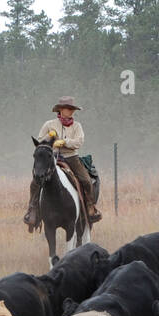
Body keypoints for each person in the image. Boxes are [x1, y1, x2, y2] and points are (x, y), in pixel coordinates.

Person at [24, 96, 101, 228]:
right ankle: (33, 210)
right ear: (60, 110)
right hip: (52, 157)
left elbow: (79, 141)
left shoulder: (77, 126)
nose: (71, 111)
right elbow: (40, 142)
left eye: (72, 109)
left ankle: (90, 207)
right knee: (35, 181)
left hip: (71, 157)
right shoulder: (49, 125)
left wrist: (65, 142)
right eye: (68, 108)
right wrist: (51, 137)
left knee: (86, 180)